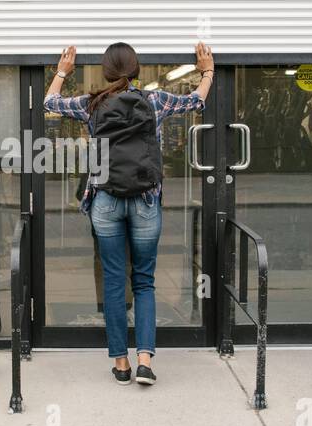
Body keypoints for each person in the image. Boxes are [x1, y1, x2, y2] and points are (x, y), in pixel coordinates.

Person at [45, 40, 215, 386]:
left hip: (106, 199)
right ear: (136, 70)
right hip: (145, 199)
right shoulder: (155, 100)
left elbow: (49, 102)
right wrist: (207, 70)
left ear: (106, 72)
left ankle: (120, 363)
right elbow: (197, 100)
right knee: (144, 280)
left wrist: (63, 71)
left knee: (113, 280)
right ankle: (145, 361)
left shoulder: (93, 104)